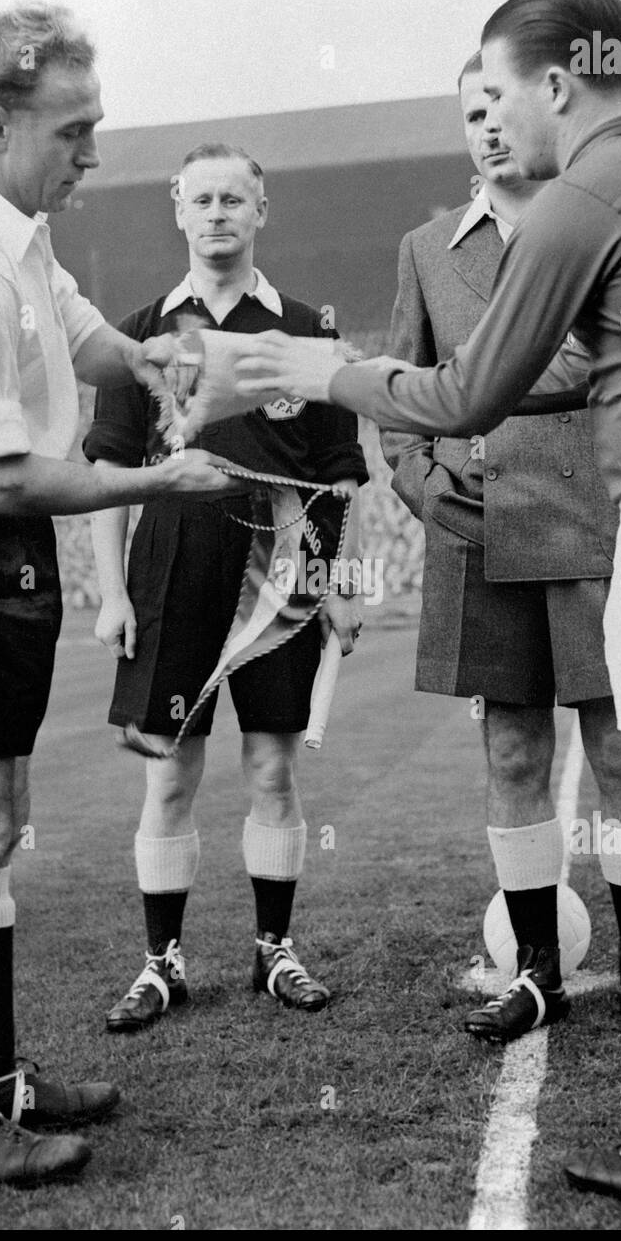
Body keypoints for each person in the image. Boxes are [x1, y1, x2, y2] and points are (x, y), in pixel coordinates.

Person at [227, 0, 621, 1201]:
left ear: (558, 83)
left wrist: (332, 367)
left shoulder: (585, 191)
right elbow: (578, 362)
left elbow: (468, 396)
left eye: (503, 93)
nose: (497, 120)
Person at [0, 4, 244, 1188]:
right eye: (73, 131)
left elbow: (68, 322)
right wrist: (156, 476)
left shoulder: (5, 221)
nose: (92, 154)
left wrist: (145, 354)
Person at [382, 49, 621, 1045]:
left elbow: (619, 364)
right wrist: (429, 495)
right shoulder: (425, 248)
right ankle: (538, 970)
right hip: (479, 534)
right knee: (511, 748)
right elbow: (400, 399)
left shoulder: (592, 227)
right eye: (471, 113)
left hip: (593, 530)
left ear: (542, 110)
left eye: (501, 107)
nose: (489, 129)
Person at [85, 143, 367, 1033]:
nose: (216, 214)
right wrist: (111, 591)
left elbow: (339, 469)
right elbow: (107, 472)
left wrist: (340, 578)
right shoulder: (143, 335)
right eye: (201, 198)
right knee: (165, 773)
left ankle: (272, 949)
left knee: (272, 767)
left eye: (232, 199)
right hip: (170, 567)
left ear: (260, 210)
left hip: (283, 568)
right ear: (178, 209)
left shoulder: (301, 330)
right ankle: (160, 961)